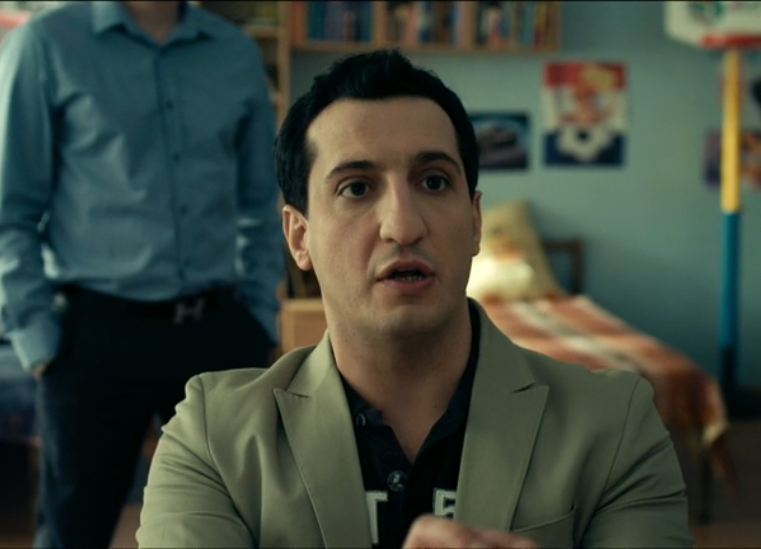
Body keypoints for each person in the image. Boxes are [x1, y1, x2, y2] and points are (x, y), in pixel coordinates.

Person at [138, 49, 693, 548]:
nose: (403, 226)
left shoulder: (613, 425)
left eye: (433, 182)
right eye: (357, 188)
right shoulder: (212, 439)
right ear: (299, 237)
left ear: (474, 221)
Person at [0, 2, 285, 547]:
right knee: (73, 532)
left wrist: (260, 315)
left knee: (240, 527)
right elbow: (10, 215)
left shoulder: (234, 52)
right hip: (92, 339)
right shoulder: (45, 46)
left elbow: (261, 202)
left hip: (216, 330)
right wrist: (38, 341)